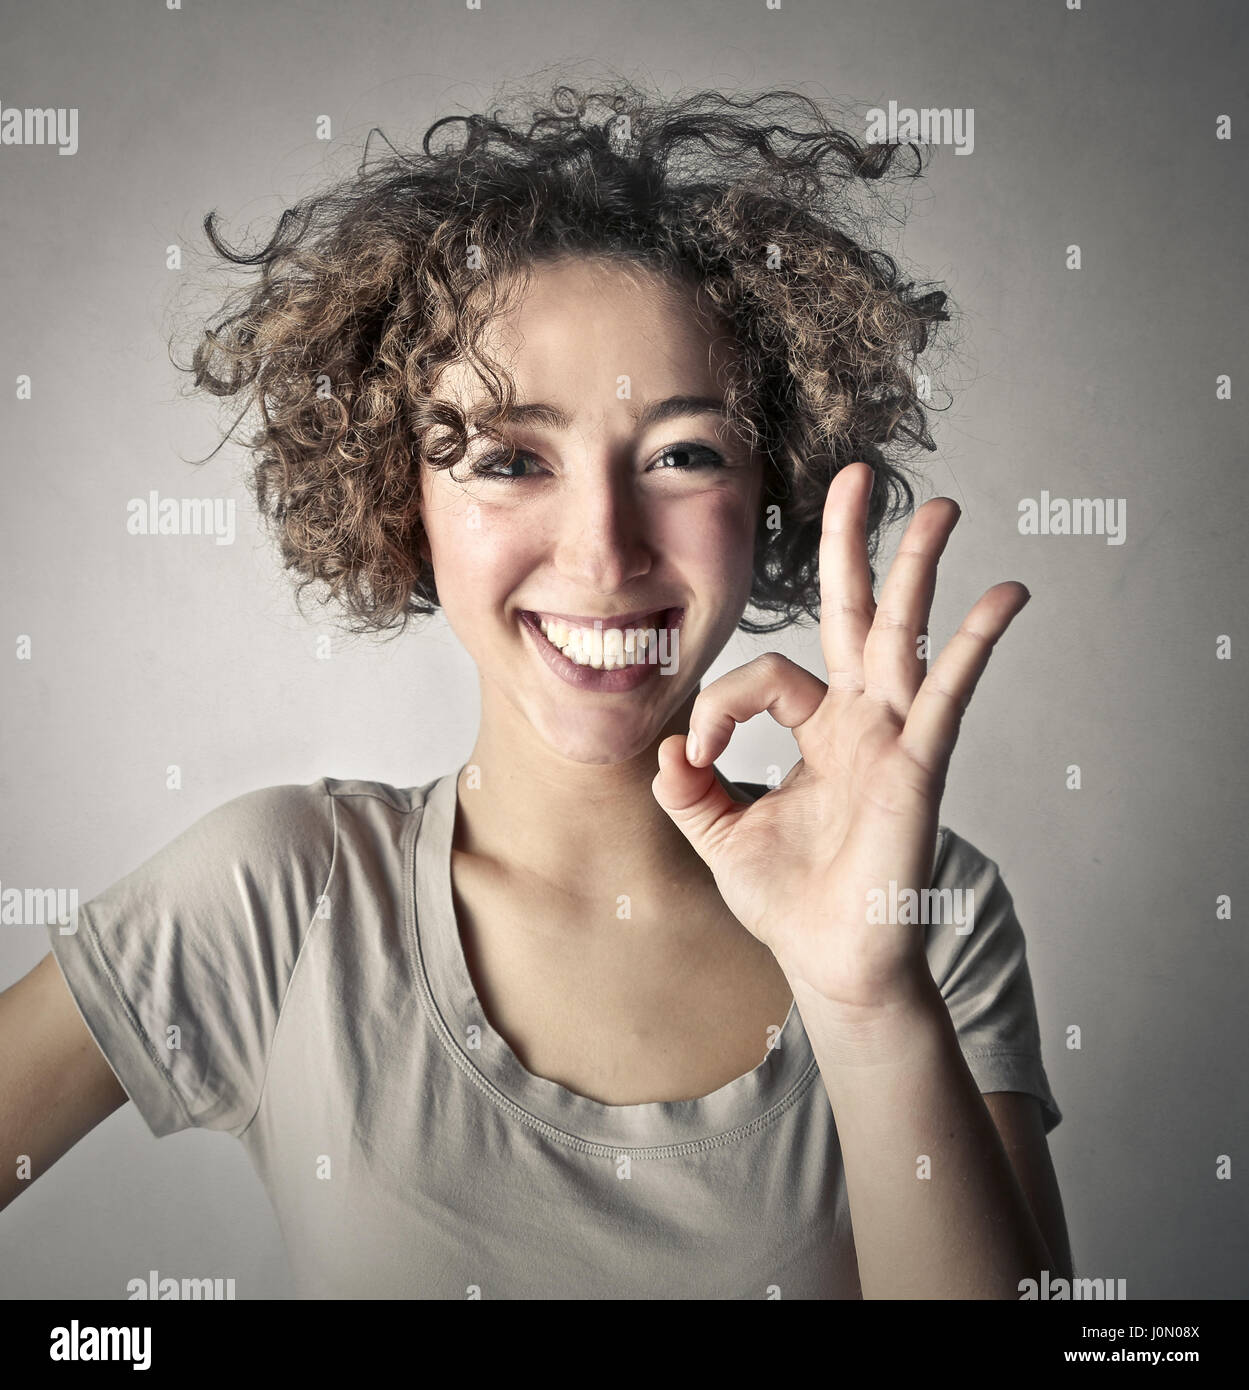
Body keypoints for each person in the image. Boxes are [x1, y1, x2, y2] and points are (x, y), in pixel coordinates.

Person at [0, 79, 1070, 1298]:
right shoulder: (284, 898)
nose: (602, 550)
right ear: (404, 504)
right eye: (510, 458)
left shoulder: (930, 908)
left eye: (681, 453)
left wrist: (871, 1005)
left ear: (769, 491)